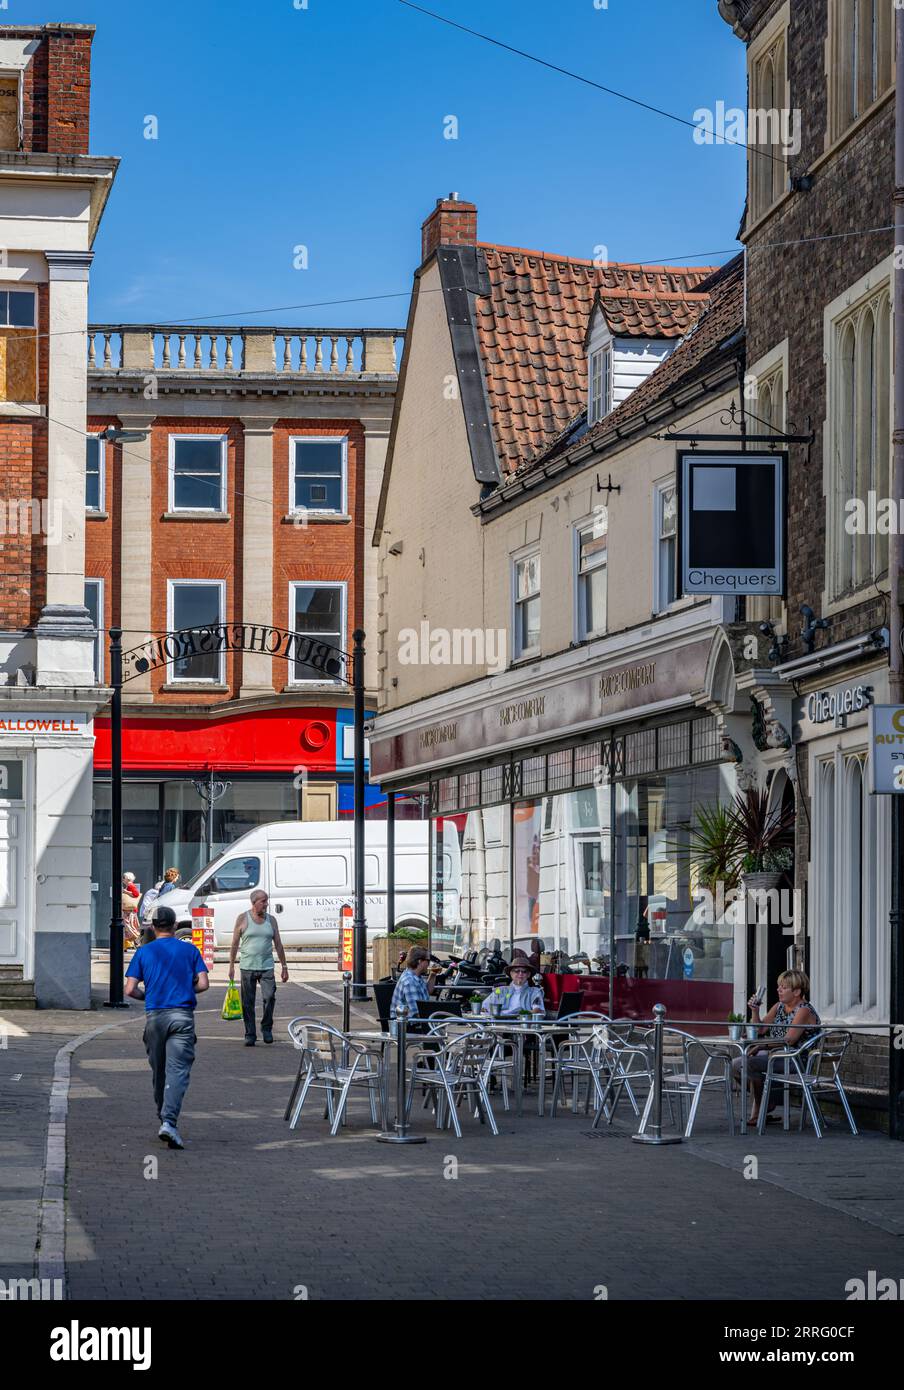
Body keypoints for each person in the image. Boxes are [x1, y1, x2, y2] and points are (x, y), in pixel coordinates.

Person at [124, 905, 209, 1150]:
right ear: (173, 926)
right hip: (182, 1017)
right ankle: (169, 1122)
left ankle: (164, 1118)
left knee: (159, 1072)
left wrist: (149, 997)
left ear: (152, 927)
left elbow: (129, 990)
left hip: (155, 1017)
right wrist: (184, 990)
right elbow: (203, 984)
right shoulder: (190, 950)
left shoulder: (143, 952)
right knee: (178, 1071)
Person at [732, 970, 821, 1125]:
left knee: (748, 1064)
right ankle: (769, 1100)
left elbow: (790, 1040)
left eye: (784, 987)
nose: (779, 990)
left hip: (796, 1060)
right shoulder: (779, 1006)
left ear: (797, 991)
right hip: (776, 1057)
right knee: (735, 1065)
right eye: (779, 986)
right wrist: (755, 1010)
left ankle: (762, 1107)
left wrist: (760, 1047)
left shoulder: (804, 1010)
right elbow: (760, 1030)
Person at [227, 889, 289, 1046]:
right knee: (247, 1003)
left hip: (267, 966)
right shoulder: (242, 918)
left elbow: (279, 944)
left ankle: (266, 1028)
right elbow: (234, 944)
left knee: (269, 997)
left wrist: (284, 966)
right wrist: (232, 965)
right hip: (247, 967)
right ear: (254, 903)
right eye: (263, 901)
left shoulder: (272, 920)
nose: (266, 904)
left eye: (267, 901)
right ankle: (250, 1034)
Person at [390, 945, 437, 1022]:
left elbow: (427, 992)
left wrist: (433, 974)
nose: (429, 964)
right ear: (420, 961)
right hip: (408, 1027)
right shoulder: (409, 982)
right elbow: (418, 1012)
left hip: (415, 1022)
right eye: (428, 961)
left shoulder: (416, 976)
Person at [122, 872, 141, 948]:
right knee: (129, 926)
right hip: (129, 910)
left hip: (129, 911)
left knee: (129, 926)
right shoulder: (129, 886)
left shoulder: (130, 885)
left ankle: (138, 939)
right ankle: (132, 943)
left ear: (128, 879)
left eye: (124, 878)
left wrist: (125, 892)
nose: (123, 879)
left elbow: (136, 894)